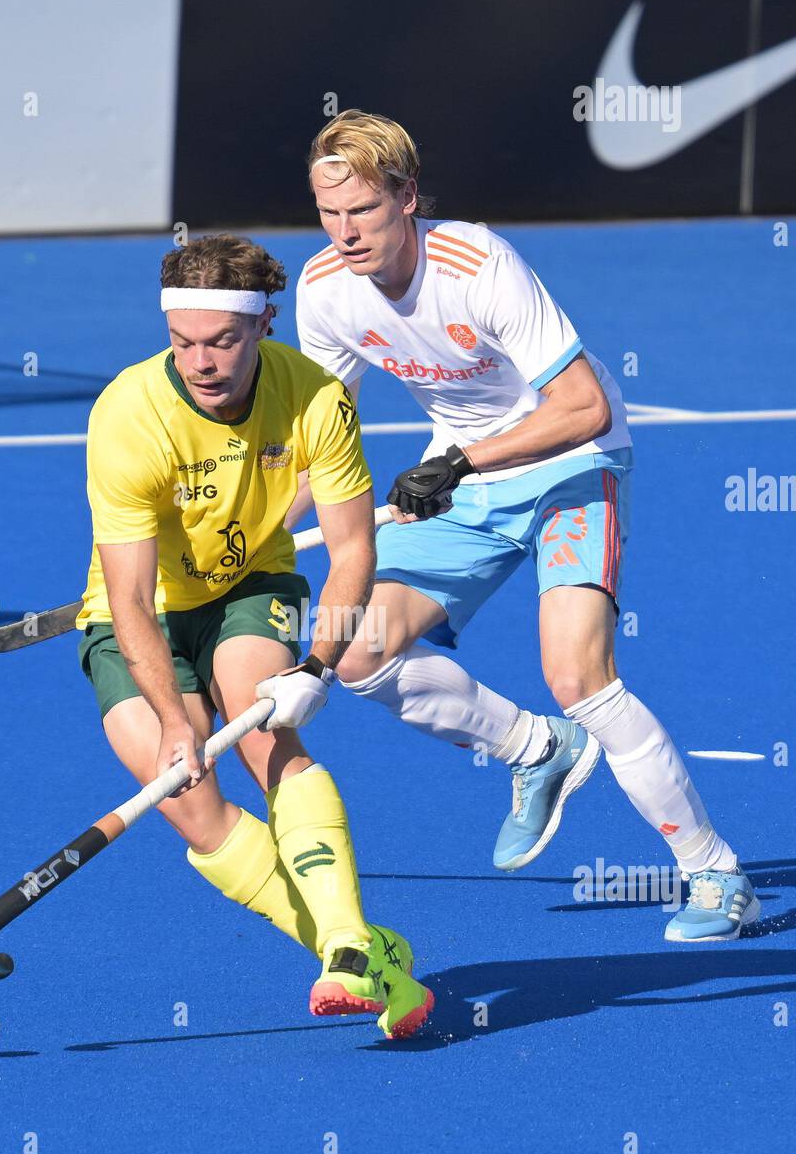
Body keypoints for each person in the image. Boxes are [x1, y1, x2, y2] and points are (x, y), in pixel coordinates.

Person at [295, 110, 756, 943]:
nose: (345, 232)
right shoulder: (325, 291)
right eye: (329, 213)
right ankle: (534, 750)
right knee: (353, 644)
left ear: (406, 196)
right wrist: (240, 532)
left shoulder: (476, 263)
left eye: (362, 210)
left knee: (579, 677)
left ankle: (717, 875)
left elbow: (583, 405)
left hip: (569, 463)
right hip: (464, 474)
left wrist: (464, 464)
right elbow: (312, 451)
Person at [76, 232, 433, 1037]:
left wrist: (318, 662)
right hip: (137, 614)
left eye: (222, 341)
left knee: (263, 726)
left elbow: (353, 551)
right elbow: (130, 597)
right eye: (184, 342)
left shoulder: (316, 398)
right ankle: (370, 957)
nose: (201, 362)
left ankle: (343, 945)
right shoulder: (128, 416)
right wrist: (175, 723)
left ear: (265, 323)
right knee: (191, 804)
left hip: (250, 585)